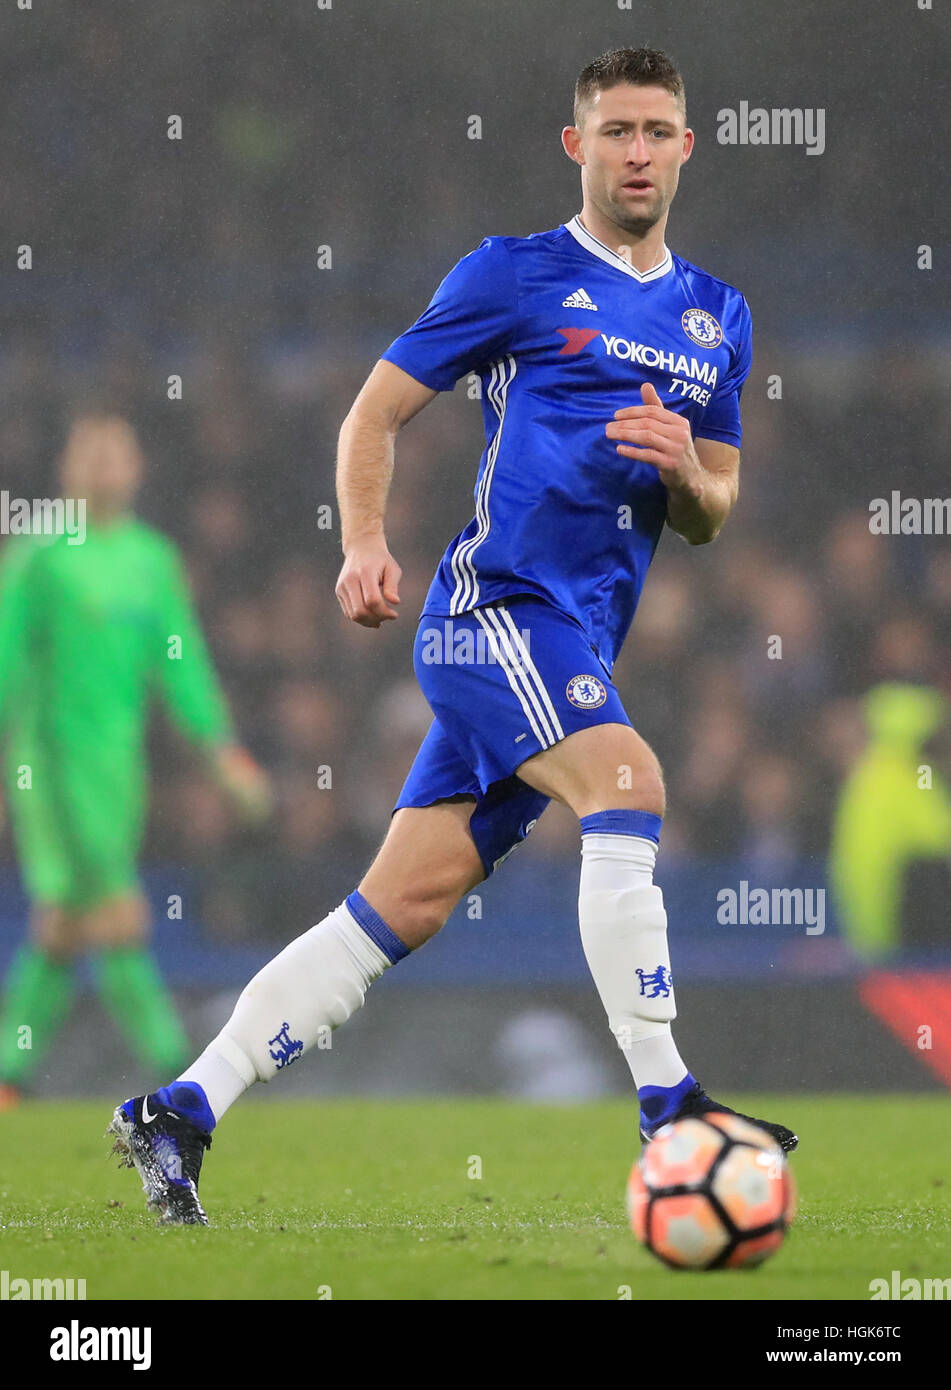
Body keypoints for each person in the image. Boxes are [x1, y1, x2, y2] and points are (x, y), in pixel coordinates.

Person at [109, 46, 796, 1225]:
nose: (637, 150)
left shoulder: (717, 315)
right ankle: (668, 1102)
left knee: (398, 910)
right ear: (577, 146)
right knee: (629, 778)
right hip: (495, 614)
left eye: (658, 130)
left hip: (576, 641)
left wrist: (687, 468)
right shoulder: (514, 274)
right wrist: (363, 541)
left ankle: (180, 1108)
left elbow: (713, 512)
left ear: (688, 147)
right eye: (616, 129)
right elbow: (377, 408)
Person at [0, 412, 270, 1110]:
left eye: (115, 454)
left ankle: (9, 1075)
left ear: (136, 468)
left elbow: (182, 667)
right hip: (52, 767)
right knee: (118, 913)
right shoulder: (41, 556)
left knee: (64, 925)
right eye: (88, 454)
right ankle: (181, 1080)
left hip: (119, 771)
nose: (102, 467)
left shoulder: (151, 560)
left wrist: (224, 755)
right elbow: (6, 666)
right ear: (66, 468)